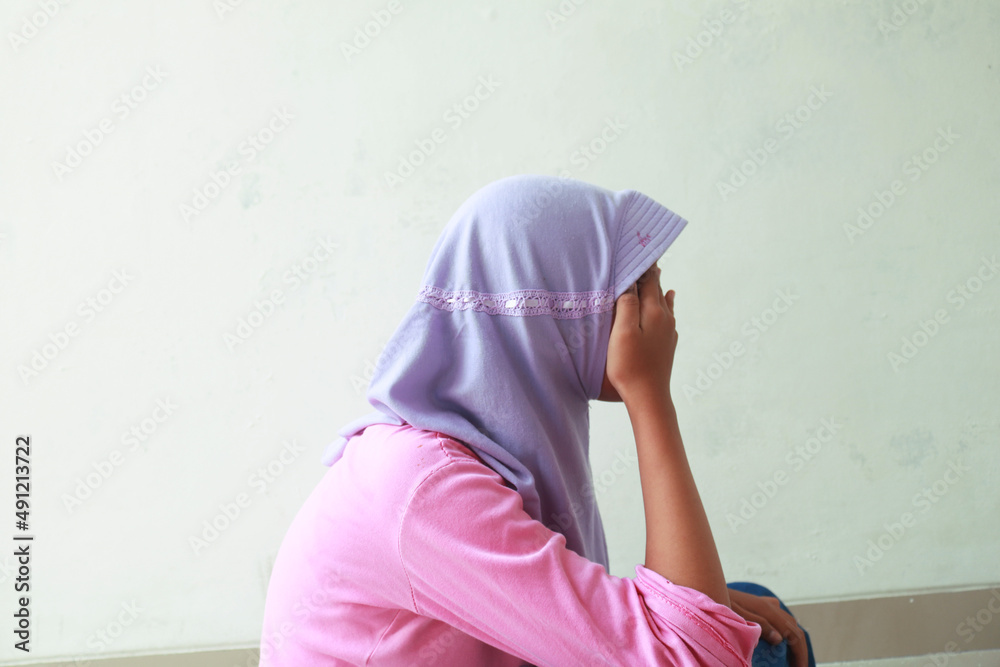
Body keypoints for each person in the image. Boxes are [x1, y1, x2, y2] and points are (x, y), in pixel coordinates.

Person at [259, 174, 816, 666]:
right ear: (552, 308)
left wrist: (696, 608)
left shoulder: (471, 451)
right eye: (636, 291)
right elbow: (692, 661)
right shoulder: (421, 486)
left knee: (750, 611)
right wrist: (652, 400)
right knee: (742, 645)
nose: (661, 315)